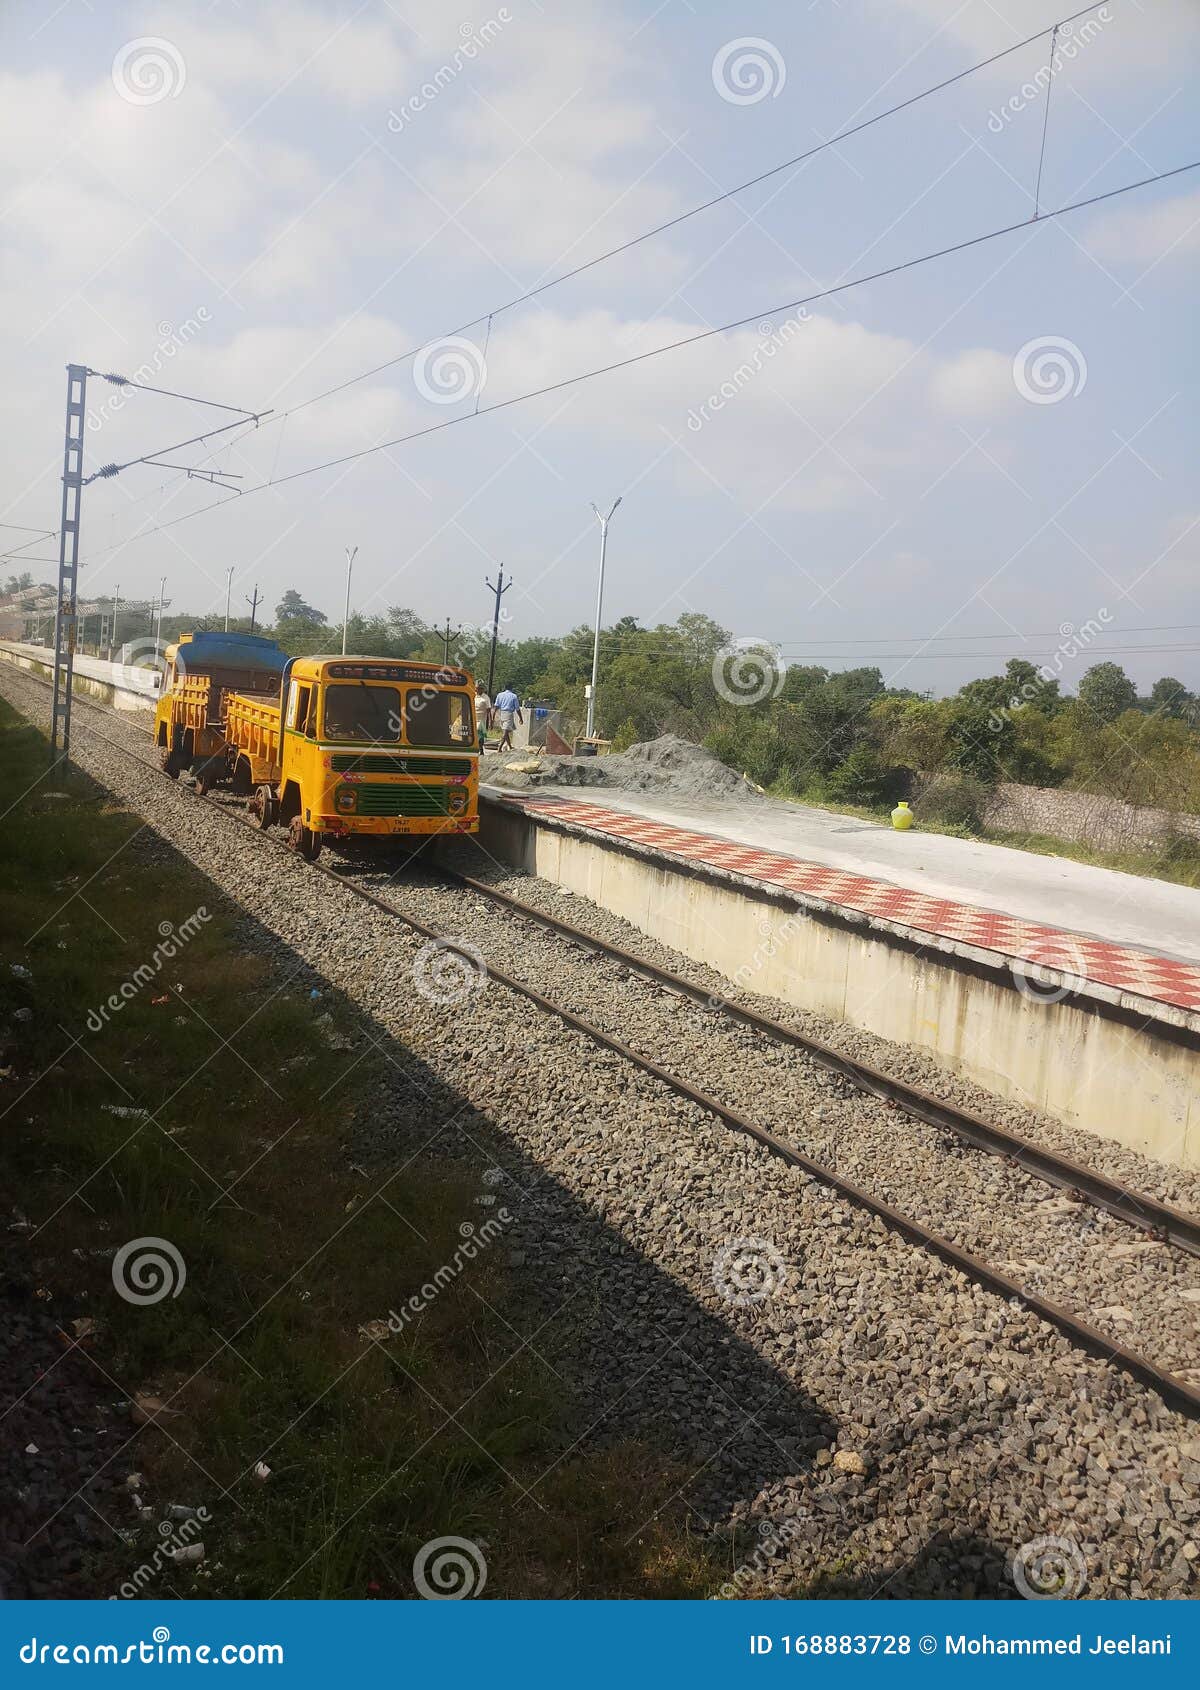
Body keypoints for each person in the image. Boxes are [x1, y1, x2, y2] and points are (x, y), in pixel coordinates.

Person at [493, 684, 522, 752]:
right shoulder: (513, 696)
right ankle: (499, 748)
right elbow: (517, 708)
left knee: (505, 731)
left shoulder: (500, 695)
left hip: (502, 713)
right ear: (512, 688)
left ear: (504, 688)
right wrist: (521, 718)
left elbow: (496, 706)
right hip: (509, 714)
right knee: (505, 732)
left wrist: (493, 716)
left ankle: (509, 746)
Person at [474, 685, 491, 753]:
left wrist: (490, 721)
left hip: (481, 719)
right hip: (472, 718)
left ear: (482, 689)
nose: (478, 690)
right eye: (477, 688)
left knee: (480, 735)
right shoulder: (473, 695)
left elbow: (488, 710)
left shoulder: (486, 698)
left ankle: (481, 749)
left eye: (480, 689)